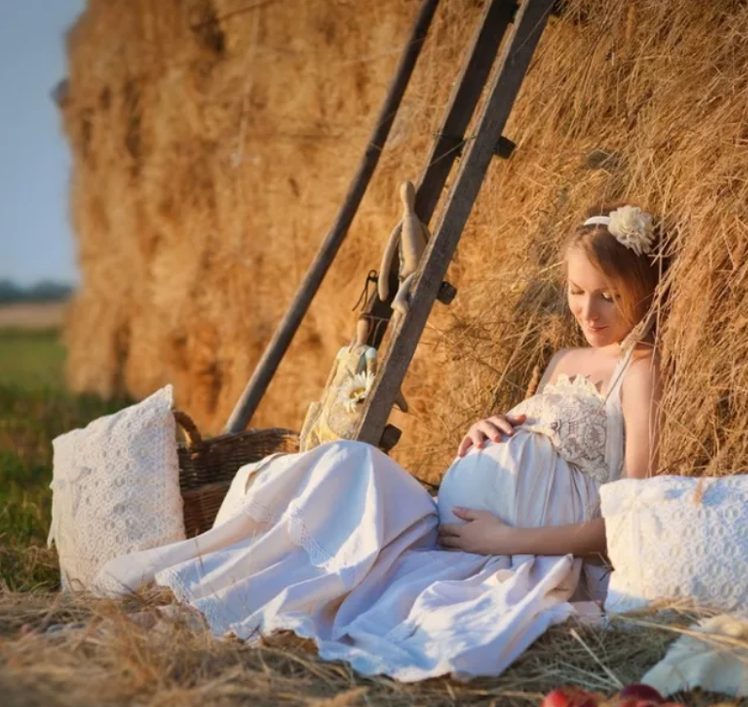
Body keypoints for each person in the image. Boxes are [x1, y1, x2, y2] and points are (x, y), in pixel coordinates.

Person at [94, 203, 668, 682]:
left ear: (637, 290)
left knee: (358, 518)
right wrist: (485, 428)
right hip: (458, 520)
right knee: (345, 461)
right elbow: (532, 434)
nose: (587, 311)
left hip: (513, 547)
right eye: (575, 291)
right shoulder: (564, 358)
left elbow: (629, 518)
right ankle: (205, 588)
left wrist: (507, 537)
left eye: (607, 296)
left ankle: (224, 601)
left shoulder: (638, 370)